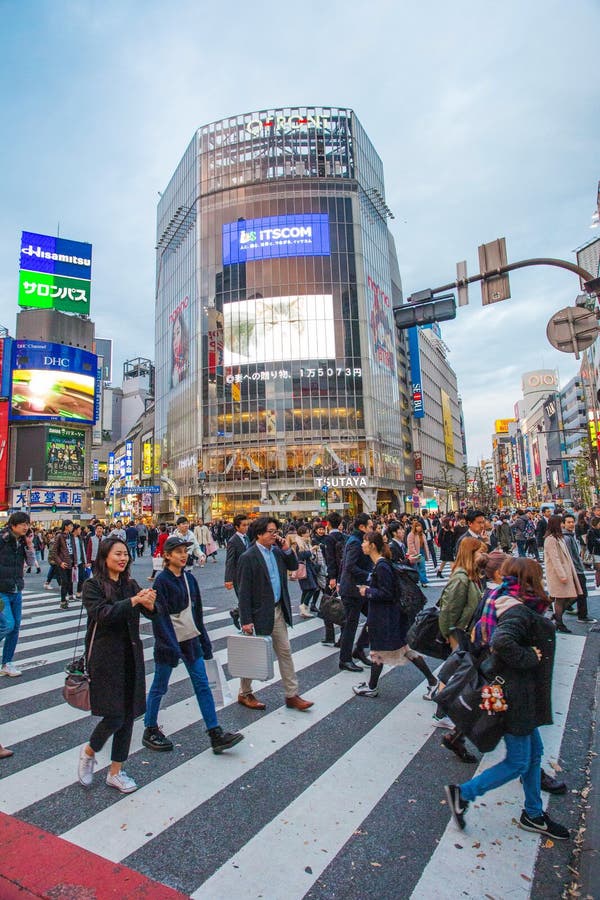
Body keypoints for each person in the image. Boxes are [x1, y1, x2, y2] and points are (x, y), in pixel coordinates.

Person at [445, 557, 570, 842]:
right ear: (530, 580)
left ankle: (534, 812)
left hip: (518, 693)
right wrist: (530, 657)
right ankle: (463, 793)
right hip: (516, 695)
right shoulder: (517, 610)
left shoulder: (502, 598)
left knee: (533, 754)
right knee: (517, 761)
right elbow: (501, 642)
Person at [142, 535, 244, 754]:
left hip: (190, 639)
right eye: (178, 551)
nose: (183, 555)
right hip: (169, 642)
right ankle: (150, 727)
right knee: (160, 686)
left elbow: (196, 614)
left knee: (202, 684)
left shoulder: (190, 579)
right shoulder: (162, 581)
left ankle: (215, 733)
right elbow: (160, 617)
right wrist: (170, 644)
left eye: (185, 551)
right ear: (167, 556)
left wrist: (205, 643)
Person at [77, 538, 157, 793]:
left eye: (125, 554)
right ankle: (89, 751)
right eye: (118, 554)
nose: (123, 558)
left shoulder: (129, 583)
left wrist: (150, 602)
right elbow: (103, 615)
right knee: (115, 715)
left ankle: (116, 771)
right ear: (104, 557)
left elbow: (153, 613)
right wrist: (134, 601)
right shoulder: (92, 585)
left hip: (130, 654)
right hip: (104, 657)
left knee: (129, 714)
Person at [237, 517, 314, 712]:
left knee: (285, 652)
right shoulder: (248, 557)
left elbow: (294, 566)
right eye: (271, 531)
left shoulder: (278, 552)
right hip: (258, 612)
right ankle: (245, 692)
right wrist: (246, 619)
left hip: (278, 609)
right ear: (259, 534)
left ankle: (291, 694)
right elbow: (243, 590)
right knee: (254, 654)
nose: (275, 535)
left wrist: (287, 548)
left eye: (275, 531)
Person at [353, 531, 438, 698]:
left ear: (372, 546)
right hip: (391, 616)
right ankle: (432, 681)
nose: (362, 545)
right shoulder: (381, 564)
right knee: (406, 649)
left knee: (377, 651)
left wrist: (367, 591)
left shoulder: (382, 566)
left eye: (364, 542)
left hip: (385, 617)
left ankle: (372, 687)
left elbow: (387, 593)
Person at [0, 512, 35, 678]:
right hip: (1, 590)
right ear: (13, 525)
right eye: (23, 524)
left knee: (15, 628)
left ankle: (7, 663)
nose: (26, 527)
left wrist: (29, 545)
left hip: (16, 589)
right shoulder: (2, 539)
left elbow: (30, 563)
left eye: (27, 524)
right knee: (8, 624)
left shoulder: (22, 542)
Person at [337, 513, 373, 672]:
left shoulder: (359, 540)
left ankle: (359, 649)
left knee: (374, 617)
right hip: (353, 590)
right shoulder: (355, 542)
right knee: (350, 625)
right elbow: (349, 566)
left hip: (360, 588)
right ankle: (345, 659)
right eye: (371, 526)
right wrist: (369, 575)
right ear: (362, 527)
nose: (373, 529)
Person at [438, 537, 486, 652]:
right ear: (470, 553)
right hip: (459, 634)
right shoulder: (461, 578)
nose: (484, 556)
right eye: (481, 553)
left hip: (467, 632)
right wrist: (449, 634)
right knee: (461, 666)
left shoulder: (472, 575)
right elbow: (450, 609)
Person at [544, 515, 581, 634]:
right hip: (558, 574)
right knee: (560, 599)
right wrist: (562, 575)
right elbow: (555, 559)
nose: (563, 525)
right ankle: (559, 622)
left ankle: (557, 616)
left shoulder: (559, 537)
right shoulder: (550, 539)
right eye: (561, 523)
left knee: (572, 595)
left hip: (565, 571)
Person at [562, 513, 596, 624]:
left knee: (578, 593)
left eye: (572, 522)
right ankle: (581, 615)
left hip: (576, 568)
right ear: (563, 524)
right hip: (575, 569)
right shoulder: (567, 538)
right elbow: (570, 556)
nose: (571, 524)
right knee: (582, 593)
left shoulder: (570, 536)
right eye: (569, 522)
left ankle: (560, 610)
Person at [224, 513, 250, 629]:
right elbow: (229, 561)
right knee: (244, 600)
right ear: (237, 527)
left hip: (249, 574)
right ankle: (245, 623)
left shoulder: (247, 538)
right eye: (243, 525)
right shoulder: (233, 541)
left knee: (248, 599)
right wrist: (228, 579)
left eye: (247, 525)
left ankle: (236, 612)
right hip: (238, 576)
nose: (246, 527)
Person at [54, 520, 76, 610]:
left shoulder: (71, 536)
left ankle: (65, 599)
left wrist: (75, 561)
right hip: (63, 562)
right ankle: (63, 601)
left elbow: (74, 549)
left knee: (69, 582)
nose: (72, 527)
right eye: (70, 526)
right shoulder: (59, 536)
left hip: (70, 562)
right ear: (66, 526)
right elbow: (54, 552)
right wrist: (60, 562)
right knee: (65, 582)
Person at [406, 520, 429, 586]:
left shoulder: (423, 535)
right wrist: (415, 553)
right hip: (414, 553)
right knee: (414, 568)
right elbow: (410, 544)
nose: (419, 527)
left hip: (422, 551)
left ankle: (423, 581)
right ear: (414, 527)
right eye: (417, 526)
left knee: (422, 567)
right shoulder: (411, 534)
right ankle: (414, 581)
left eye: (419, 526)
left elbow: (425, 544)